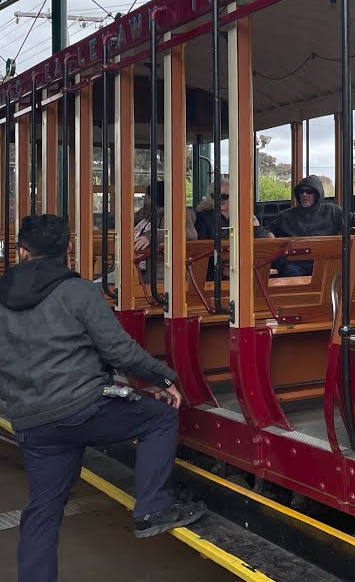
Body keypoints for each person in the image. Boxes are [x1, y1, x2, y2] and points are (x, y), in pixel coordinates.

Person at [0, 215, 205, 582]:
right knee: (159, 417)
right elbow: (119, 351)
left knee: (43, 512)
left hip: (34, 424)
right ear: (67, 250)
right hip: (85, 410)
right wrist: (164, 377)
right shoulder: (78, 291)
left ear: (21, 251)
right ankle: (151, 510)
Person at [269, 175, 345, 277]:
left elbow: (353, 220)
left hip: (323, 262)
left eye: (309, 191)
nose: (304, 194)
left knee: (333, 270)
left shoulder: (333, 211)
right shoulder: (286, 215)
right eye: (301, 191)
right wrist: (269, 235)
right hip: (294, 265)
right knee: (290, 270)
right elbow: (267, 230)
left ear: (317, 194)